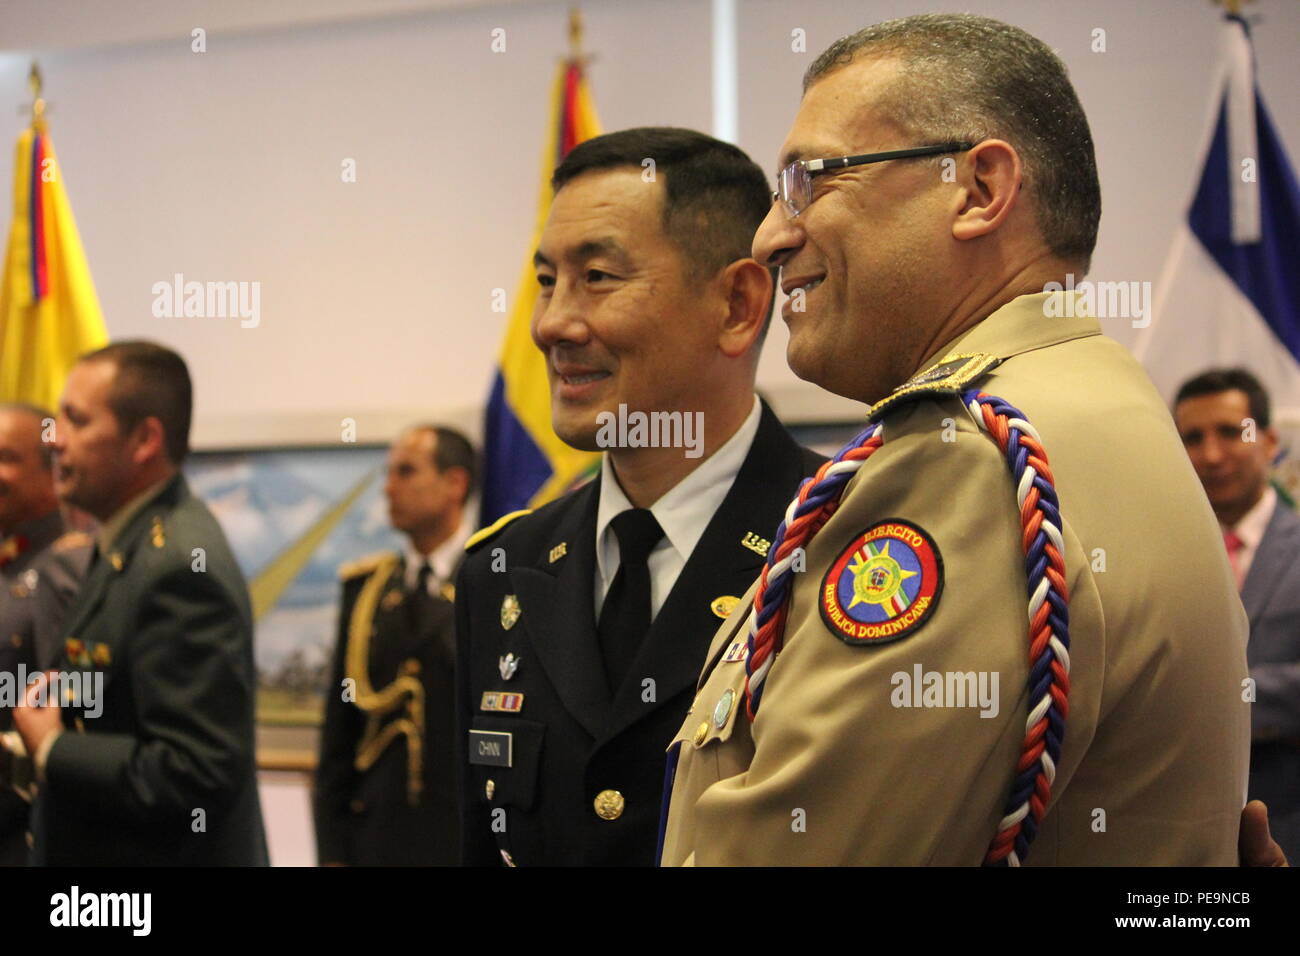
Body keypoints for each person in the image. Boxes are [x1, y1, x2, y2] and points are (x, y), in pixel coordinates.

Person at [659, 14, 1249, 866]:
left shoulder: (964, 464)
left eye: (809, 181)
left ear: (978, 190)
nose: (771, 236)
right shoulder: (1091, 400)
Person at [455, 127, 822, 866]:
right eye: (546, 280)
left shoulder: (840, 541)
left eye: (596, 276)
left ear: (738, 305)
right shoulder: (502, 568)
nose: (551, 323)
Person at [7, 341, 268, 866]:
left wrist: (54, 748)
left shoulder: (174, 564)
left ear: (145, 440)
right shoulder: (128, 544)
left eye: (77, 420)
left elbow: (195, 770)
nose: (54, 438)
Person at [314, 425, 476, 865]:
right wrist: (331, 850)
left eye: (406, 472)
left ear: (455, 484)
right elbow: (339, 730)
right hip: (375, 837)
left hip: (463, 836)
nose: (389, 488)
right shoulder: (367, 589)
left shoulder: (494, 576)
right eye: (388, 474)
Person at [1174, 368, 1300, 859]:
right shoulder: (1158, 558)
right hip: (1185, 836)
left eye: (1230, 432)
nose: (1211, 454)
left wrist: (1217, 696)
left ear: (1269, 442)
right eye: (1192, 438)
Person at [0, 404, 92, 864]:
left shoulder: (69, 568)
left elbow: (74, 706)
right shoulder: (11, 562)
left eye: (6, 457)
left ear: (52, 470)